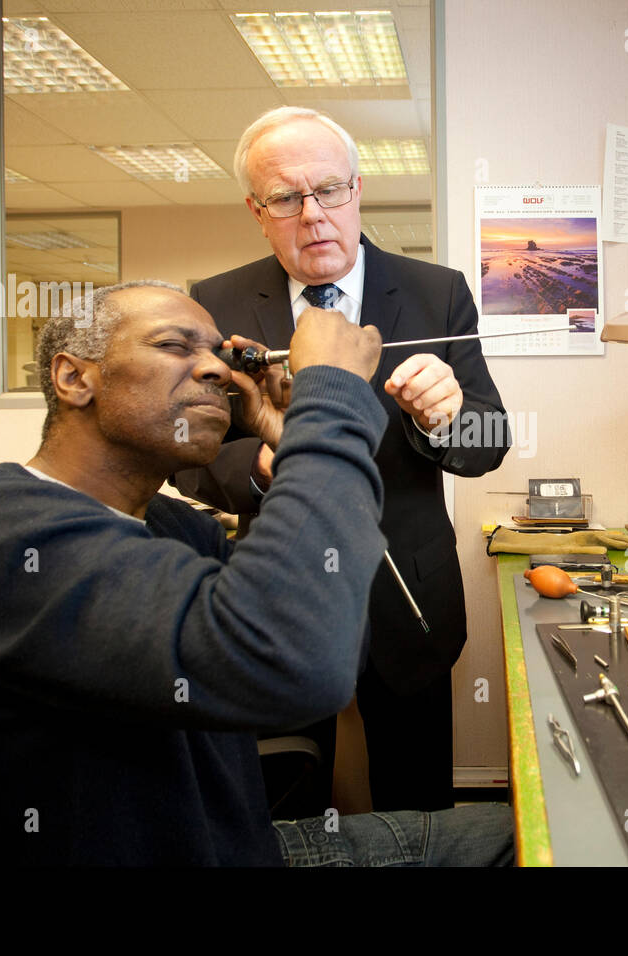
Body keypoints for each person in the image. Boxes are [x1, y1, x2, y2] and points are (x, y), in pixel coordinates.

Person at [0, 280, 512, 866]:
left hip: (234, 845)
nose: (217, 368)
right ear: (74, 377)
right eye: (173, 346)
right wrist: (332, 393)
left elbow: (334, 644)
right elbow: (297, 664)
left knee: (537, 832)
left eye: (217, 354)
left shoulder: (174, 524)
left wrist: (294, 430)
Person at [172, 107, 510, 813]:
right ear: (257, 212)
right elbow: (187, 457)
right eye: (287, 199)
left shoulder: (435, 291)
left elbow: (490, 443)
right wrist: (266, 464)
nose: (314, 215)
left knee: (417, 808)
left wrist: (445, 420)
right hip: (276, 591)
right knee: (277, 803)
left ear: (358, 190)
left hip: (409, 592)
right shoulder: (216, 301)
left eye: (329, 190)